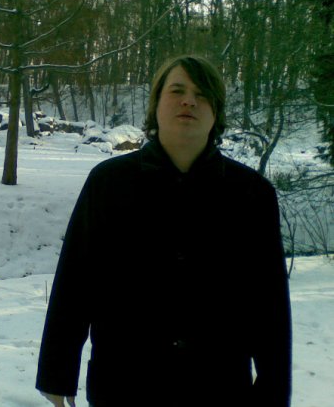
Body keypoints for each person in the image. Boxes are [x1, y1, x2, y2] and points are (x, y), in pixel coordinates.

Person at [36, 55, 292, 407]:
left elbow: (269, 303)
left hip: (220, 387)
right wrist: (57, 371)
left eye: (202, 95)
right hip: (124, 384)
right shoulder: (108, 183)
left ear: (216, 112)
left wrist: (274, 390)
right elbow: (76, 282)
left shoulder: (251, 194)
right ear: (156, 103)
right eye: (177, 91)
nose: (189, 101)